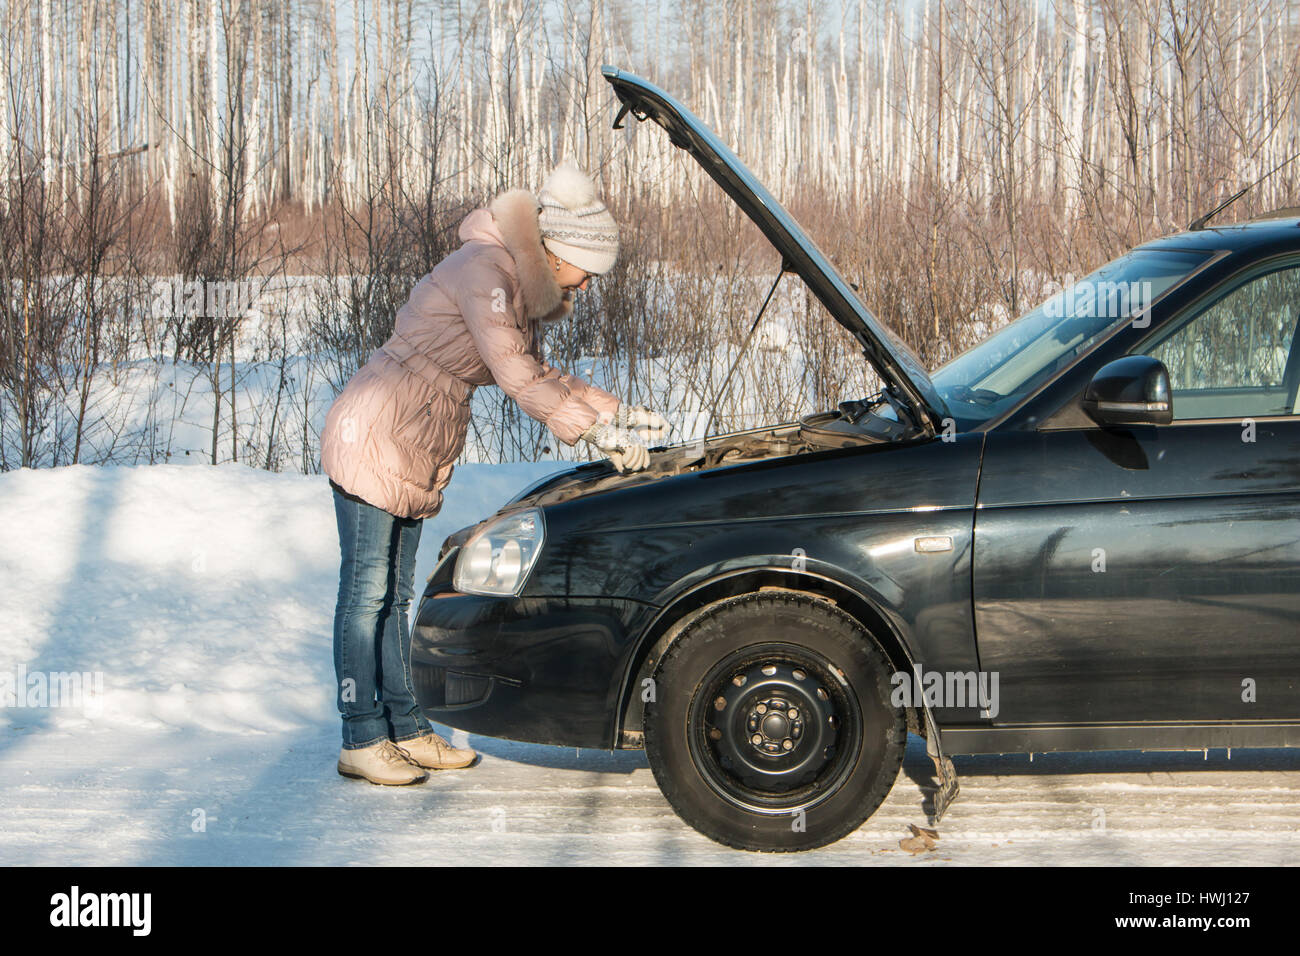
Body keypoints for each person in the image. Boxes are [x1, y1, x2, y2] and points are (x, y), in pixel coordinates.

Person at [318, 161, 669, 785]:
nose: (585, 286)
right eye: (587, 271)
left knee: (395, 597)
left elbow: (543, 374)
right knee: (367, 594)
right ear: (557, 253)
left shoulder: (509, 278)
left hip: (411, 434)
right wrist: (588, 432)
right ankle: (361, 735)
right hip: (374, 427)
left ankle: (405, 728)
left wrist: (619, 414)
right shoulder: (486, 272)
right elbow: (514, 376)